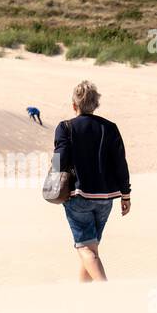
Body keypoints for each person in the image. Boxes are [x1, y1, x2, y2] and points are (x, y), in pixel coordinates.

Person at [54, 80, 131, 283]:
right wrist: (126, 194)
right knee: (91, 249)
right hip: (106, 199)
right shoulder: (110, 128)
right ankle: (85, 297)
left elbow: (59, 160)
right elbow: (120, 163)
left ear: (74, 105)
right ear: (96, 105)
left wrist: (53, 170)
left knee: (86, 249)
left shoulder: (65, 127)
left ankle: (105, 289)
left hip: (78, 197)